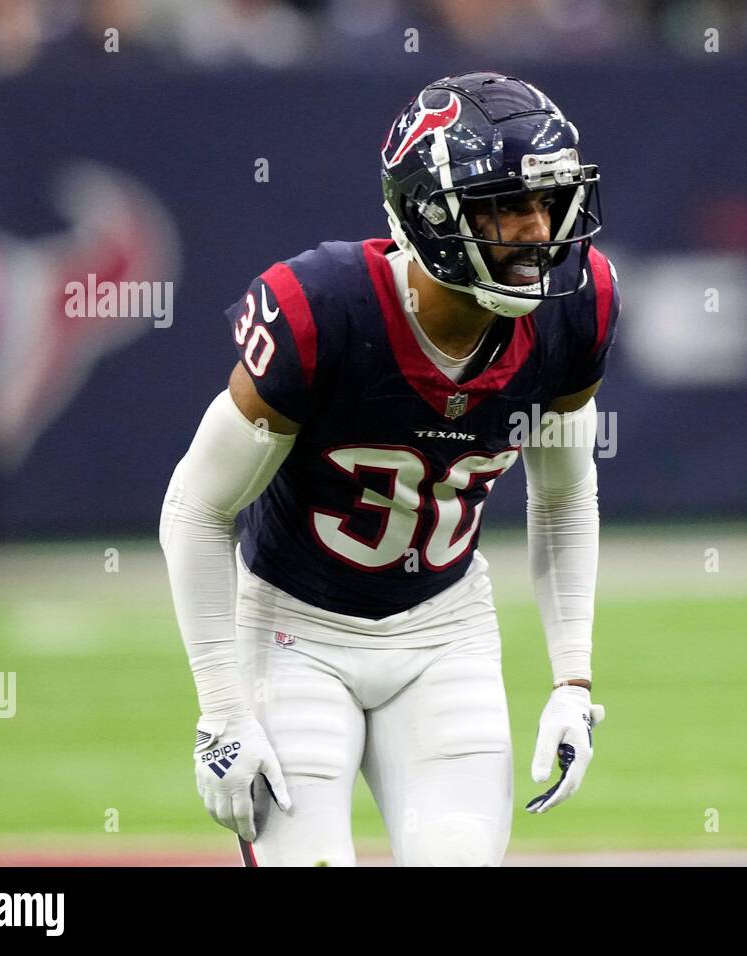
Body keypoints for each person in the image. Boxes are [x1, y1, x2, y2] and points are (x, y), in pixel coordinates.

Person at [159, 71, 619, 866]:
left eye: (547, 201)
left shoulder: (576, 309)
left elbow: (566, 497)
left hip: (446, 631)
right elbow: (196, 508)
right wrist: (223, 711)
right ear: (431, 211)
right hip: (293, 629)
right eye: (507, 205)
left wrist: (572, 681)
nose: (538, 229)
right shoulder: (326, 309)